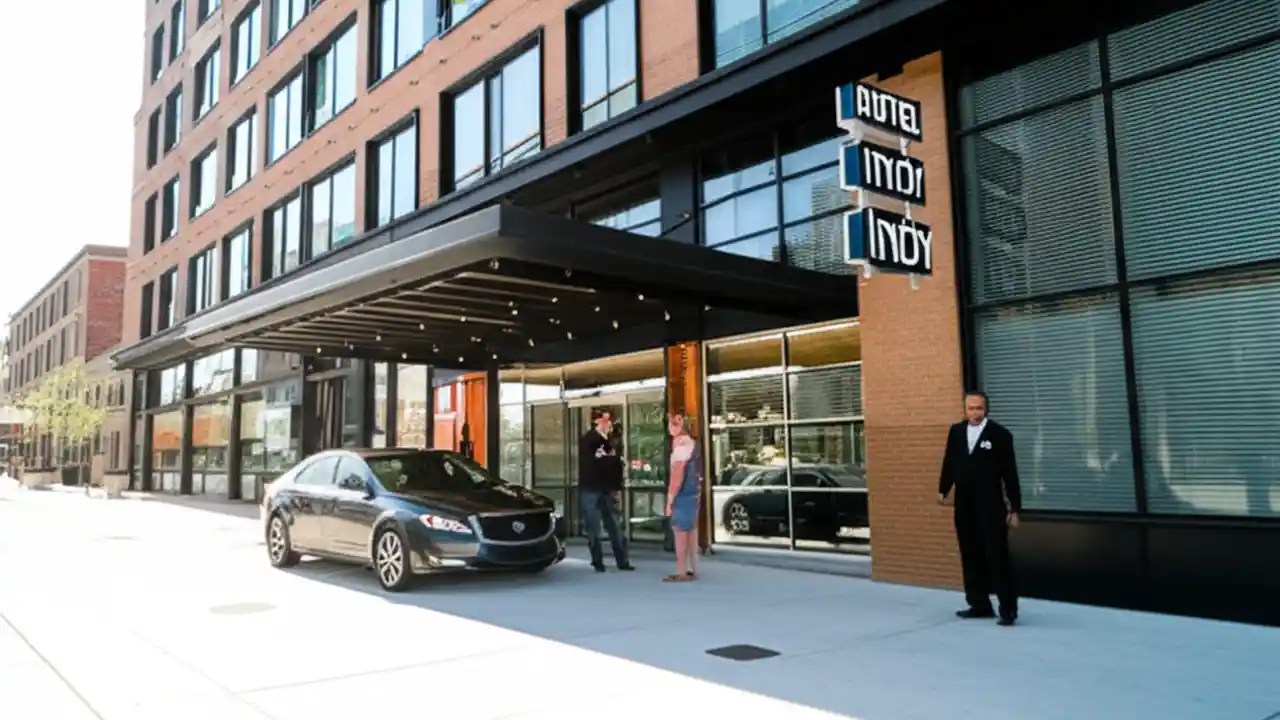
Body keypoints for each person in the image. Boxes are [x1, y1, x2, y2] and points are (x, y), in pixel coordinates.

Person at [938, 390, 1022, 626]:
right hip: (964, 505)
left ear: (986, 409)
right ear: (964, 409)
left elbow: (1010, 473)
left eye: (979, 408)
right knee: (970, 554)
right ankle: (979, 603)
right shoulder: (956, 432)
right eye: (971, 408)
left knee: (997, 556)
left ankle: (1008, 609)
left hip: (991, 506)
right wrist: (943, 489)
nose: (975, 413)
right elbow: (950, 461)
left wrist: (1014, 508)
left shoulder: (1000, 435)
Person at [578, 409, 633, 572]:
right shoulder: (587, 440)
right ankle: (597, 562)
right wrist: (604, 456)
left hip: (608, 489)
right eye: (605, 420)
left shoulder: (612, 441)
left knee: (615, 526)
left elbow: (616, 465)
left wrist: (617, 486)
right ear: (596, 421)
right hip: (591, 489)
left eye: (610, 420)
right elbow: (590, 464)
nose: (609, 423)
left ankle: (622, 560)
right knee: (593, 527)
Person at [664, 412, 702, 582]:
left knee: (680, 532)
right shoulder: (693, 443)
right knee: (692, 531)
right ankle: (692, 568)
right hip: (693, 492)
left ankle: (681, 571)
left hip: (682, 494)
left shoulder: (680, 444)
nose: (670, 427)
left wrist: (670, 499)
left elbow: (677, 474)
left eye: (674, 423)